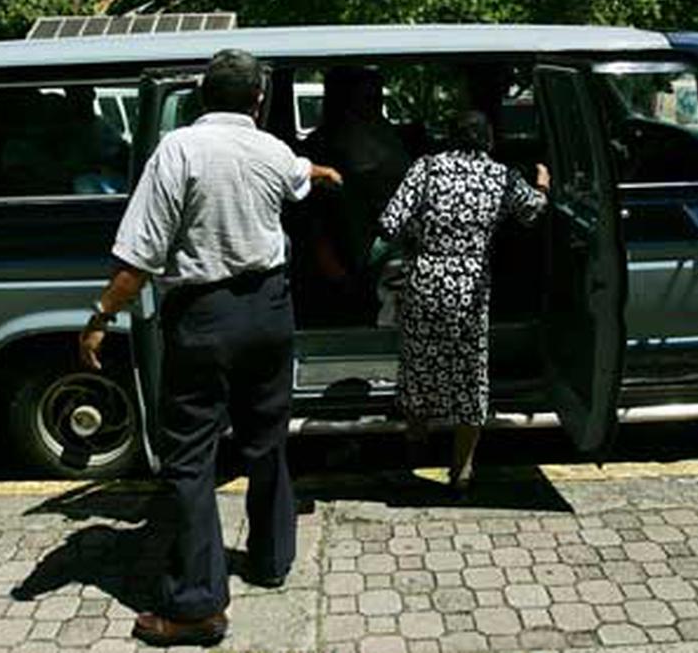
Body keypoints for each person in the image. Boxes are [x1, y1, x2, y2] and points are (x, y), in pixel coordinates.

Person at [79, 49, 341, 647]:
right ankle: (271, 560)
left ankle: (197, 606)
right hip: (270, 312)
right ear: (259, 100)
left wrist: (100, 316)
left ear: (202, 96)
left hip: (204, 318)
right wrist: (328, 174)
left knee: (191, 458)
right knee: (266, 439)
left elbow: (139, 257)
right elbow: (302, 174)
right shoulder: (271, 149)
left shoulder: (177, 151)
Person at [378, 110, 549, 494]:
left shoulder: (426, 168)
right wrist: (543, 184)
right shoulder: (502, 175)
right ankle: (462, 471)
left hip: (424, 280)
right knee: (470, 378)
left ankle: (415, 453)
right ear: (489, 140)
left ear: (449, 137)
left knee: (419, 369)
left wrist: (422, 231)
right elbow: (534, 212)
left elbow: (388, 223)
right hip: (470, 288)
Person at [298, 67, 411, 325]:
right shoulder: (326, 145)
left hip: (389, 242)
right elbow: (314, 216)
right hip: (348, 245)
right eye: (367, 100)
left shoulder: (389, 135)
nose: (373, 107)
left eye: (376, 100)